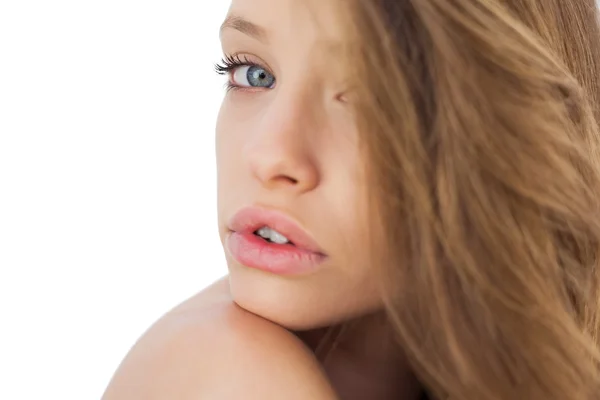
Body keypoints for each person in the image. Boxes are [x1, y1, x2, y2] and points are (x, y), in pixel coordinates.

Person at [102, 0, 600, 398]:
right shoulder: (232, 374)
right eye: (254, 73)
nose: (269, 154)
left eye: (369, 94)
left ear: (503, 136)